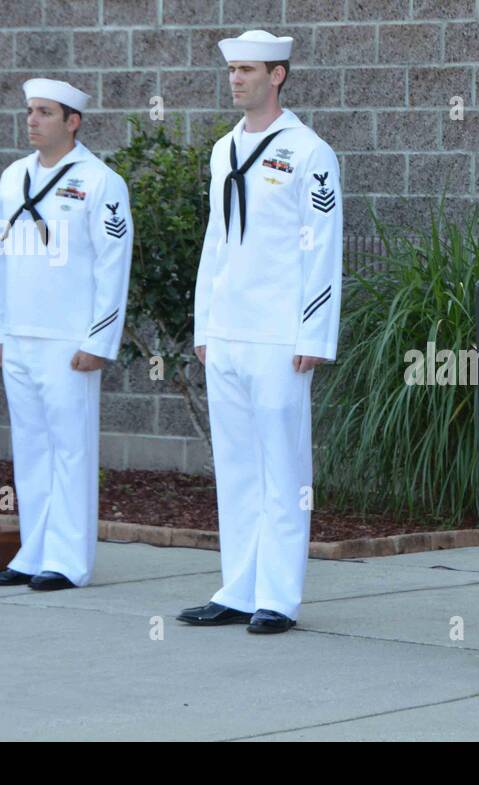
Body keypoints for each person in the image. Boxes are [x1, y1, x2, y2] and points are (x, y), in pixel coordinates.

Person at [177, 30, 343, 634]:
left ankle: (277, 596)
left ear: (278, 75)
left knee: (284, 468)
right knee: (238, 466)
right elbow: (216, 242)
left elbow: (322, 247)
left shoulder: (307, 151)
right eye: (231, 71)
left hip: (280, 333)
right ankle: (238, 588)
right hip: (228, 330)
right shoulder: (224, 149)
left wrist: (314, 334)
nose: (236, 80)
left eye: (248, 70)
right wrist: (204, 323)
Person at [0, 78, 133, 591]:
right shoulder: (12, 177)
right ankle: (33, 551)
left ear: (73, 121)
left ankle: (68, 560)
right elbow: (1, 257)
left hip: (70, 340)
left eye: (44, 112)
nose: (32, 120)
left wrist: (99, 340)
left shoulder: (100, 181)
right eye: (29, 111)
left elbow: (114, 264)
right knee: (30, 448)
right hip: (20, 333)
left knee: (71, 449)